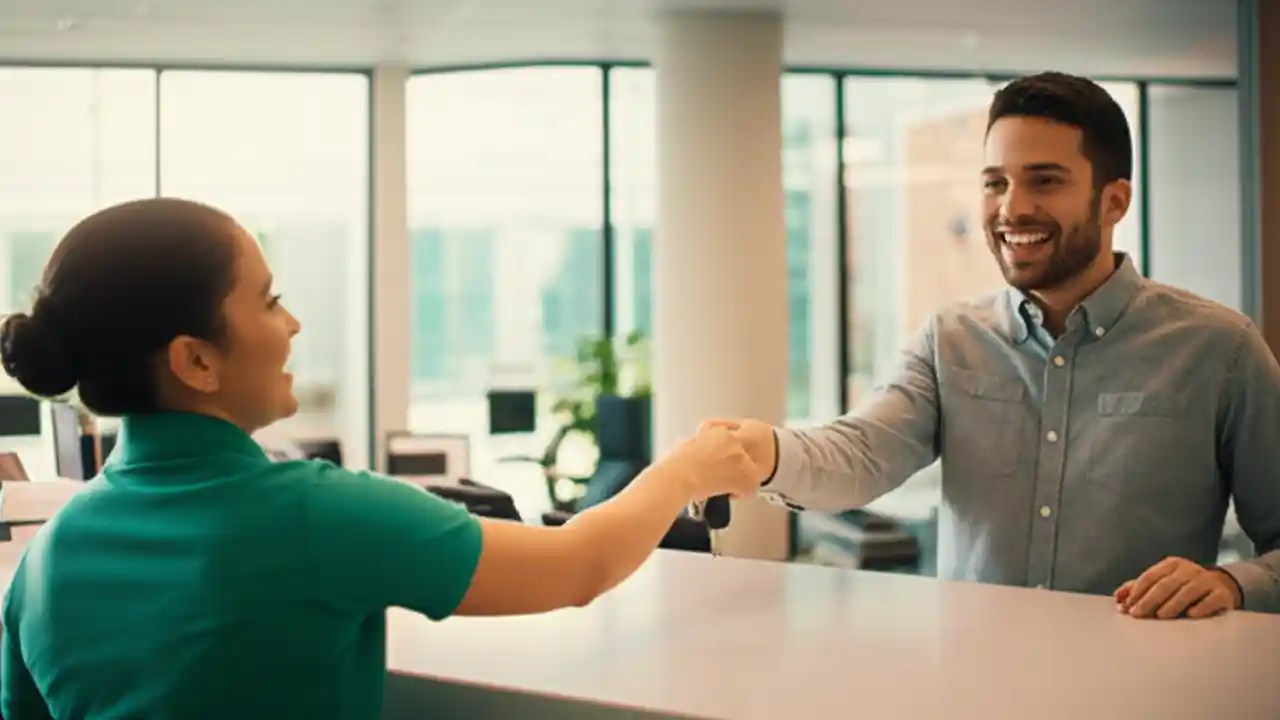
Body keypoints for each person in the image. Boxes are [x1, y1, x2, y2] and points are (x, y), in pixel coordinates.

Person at [0, 198, 759, 719]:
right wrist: (690, 468)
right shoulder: (313, 515)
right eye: (268, 301)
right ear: (196, 361)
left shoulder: (48, 561)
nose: (292, 324)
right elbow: (579, 565)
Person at [713, 72, 1280, 619]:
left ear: (1114, 202)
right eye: (995, 182)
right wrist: (764, 453)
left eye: (1045, 180)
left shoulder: (1220, 351)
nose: (1011, 208)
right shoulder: (950, 338)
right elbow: (862, 454)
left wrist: (1231, 583)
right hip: (971, 692)